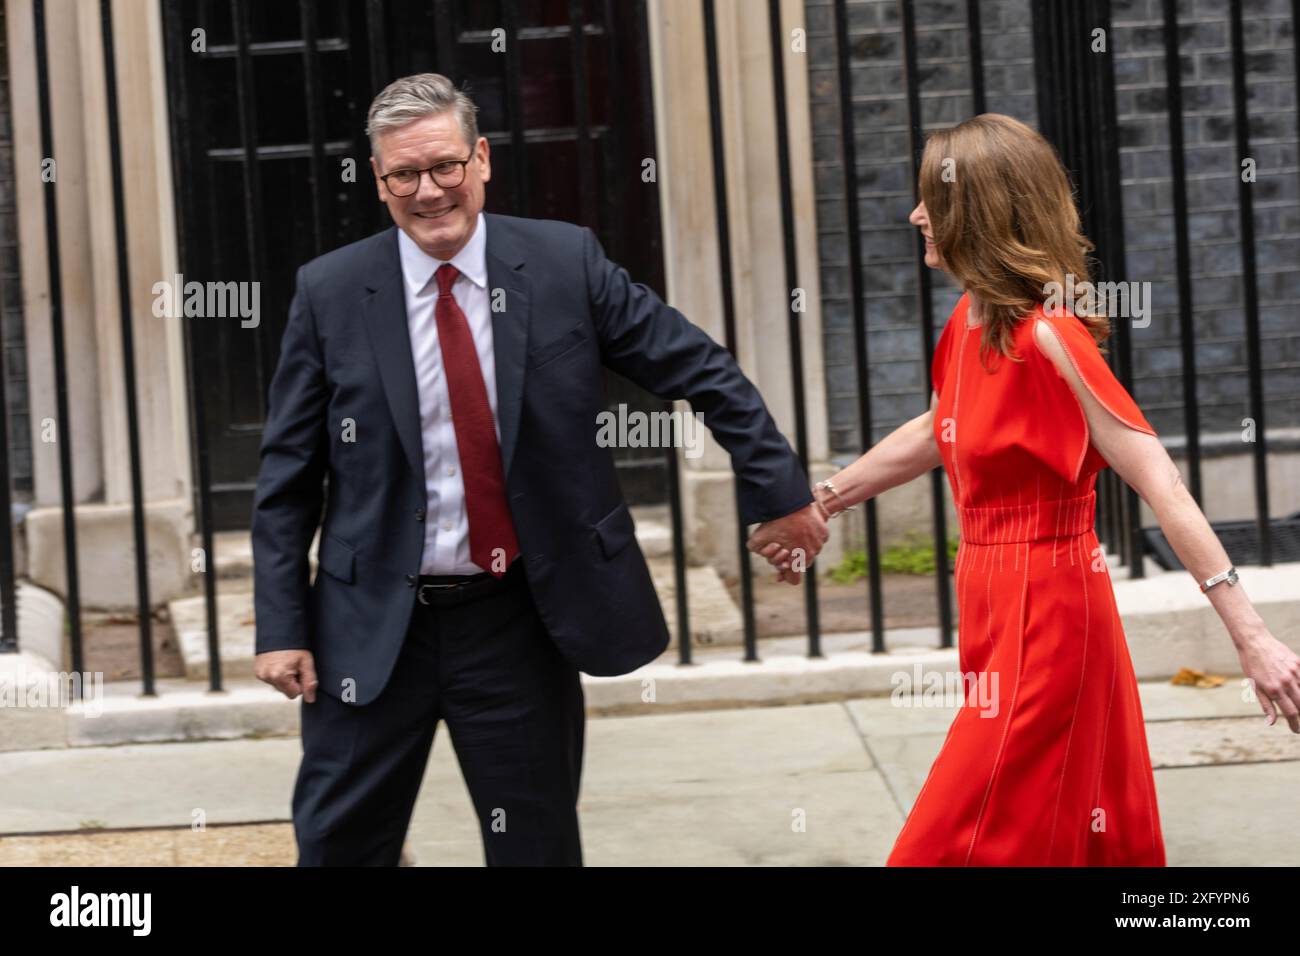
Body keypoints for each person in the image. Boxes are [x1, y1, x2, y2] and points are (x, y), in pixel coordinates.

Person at [251, 72, 828, 866]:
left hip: (518, 618)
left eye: (445, 166)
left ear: (481, 158)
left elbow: (700, 369)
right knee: (338, 844)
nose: (429, 191)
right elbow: (287, 476)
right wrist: (281, 625)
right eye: (404, 175)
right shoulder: (332, 291)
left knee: (535, 847)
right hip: (370, 627)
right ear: (379, 181)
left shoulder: (563, 263)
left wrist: (780, 493)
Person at [752, 113, 1300, 865]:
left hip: (1049, 606)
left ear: (977, 211)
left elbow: (1161, 482)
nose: (916, 214)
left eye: (931, 200)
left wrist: (1253, 636)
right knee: (1060, 821)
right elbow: (937, 430)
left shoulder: (1050, 336)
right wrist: (821, 503)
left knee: (957, 835)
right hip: (990, 597)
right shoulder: (970, 322)